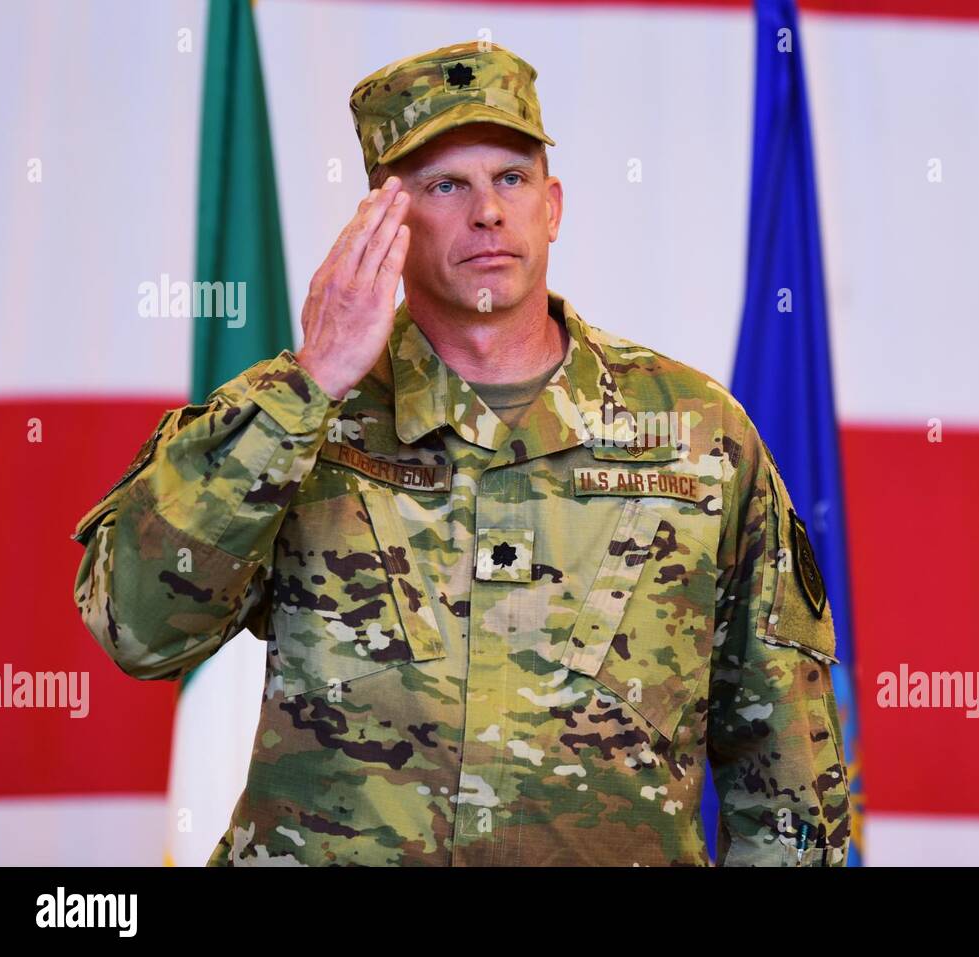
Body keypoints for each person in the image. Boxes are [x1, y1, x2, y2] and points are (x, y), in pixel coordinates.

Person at [71, 39, 853, 866]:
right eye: (448, 185)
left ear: (552, 205)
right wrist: (310, 384)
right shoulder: (298, 416)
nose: (488, 211)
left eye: (510, 178)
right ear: (386, 219)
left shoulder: (699, 434)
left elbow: (788, 784)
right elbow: (140, 630)